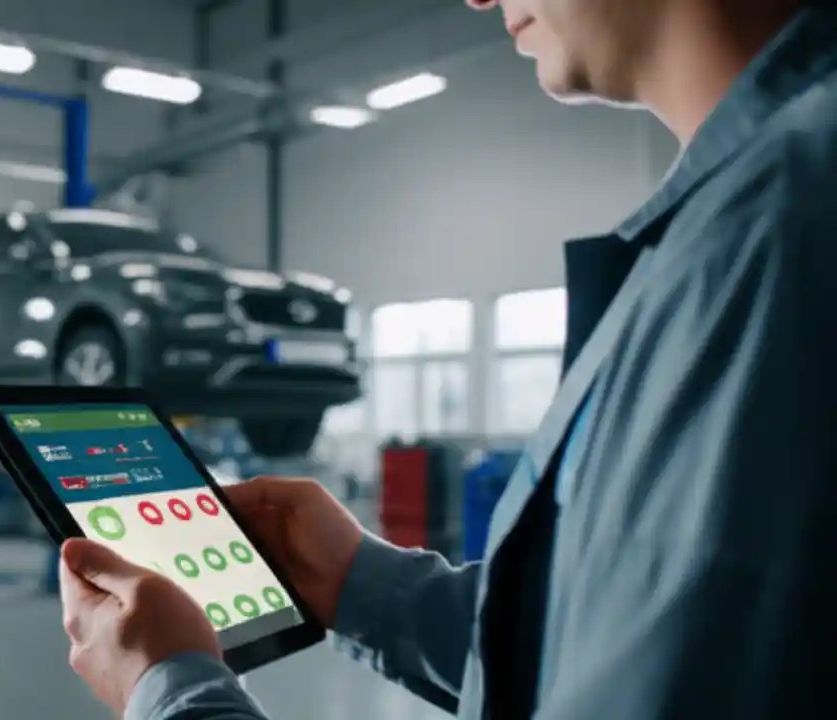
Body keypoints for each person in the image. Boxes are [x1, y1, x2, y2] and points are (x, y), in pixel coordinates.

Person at [58, 0, 837, 717]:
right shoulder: (740, 222)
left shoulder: (777, 234)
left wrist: (171, 689)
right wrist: (362, 584)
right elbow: (618, 647)